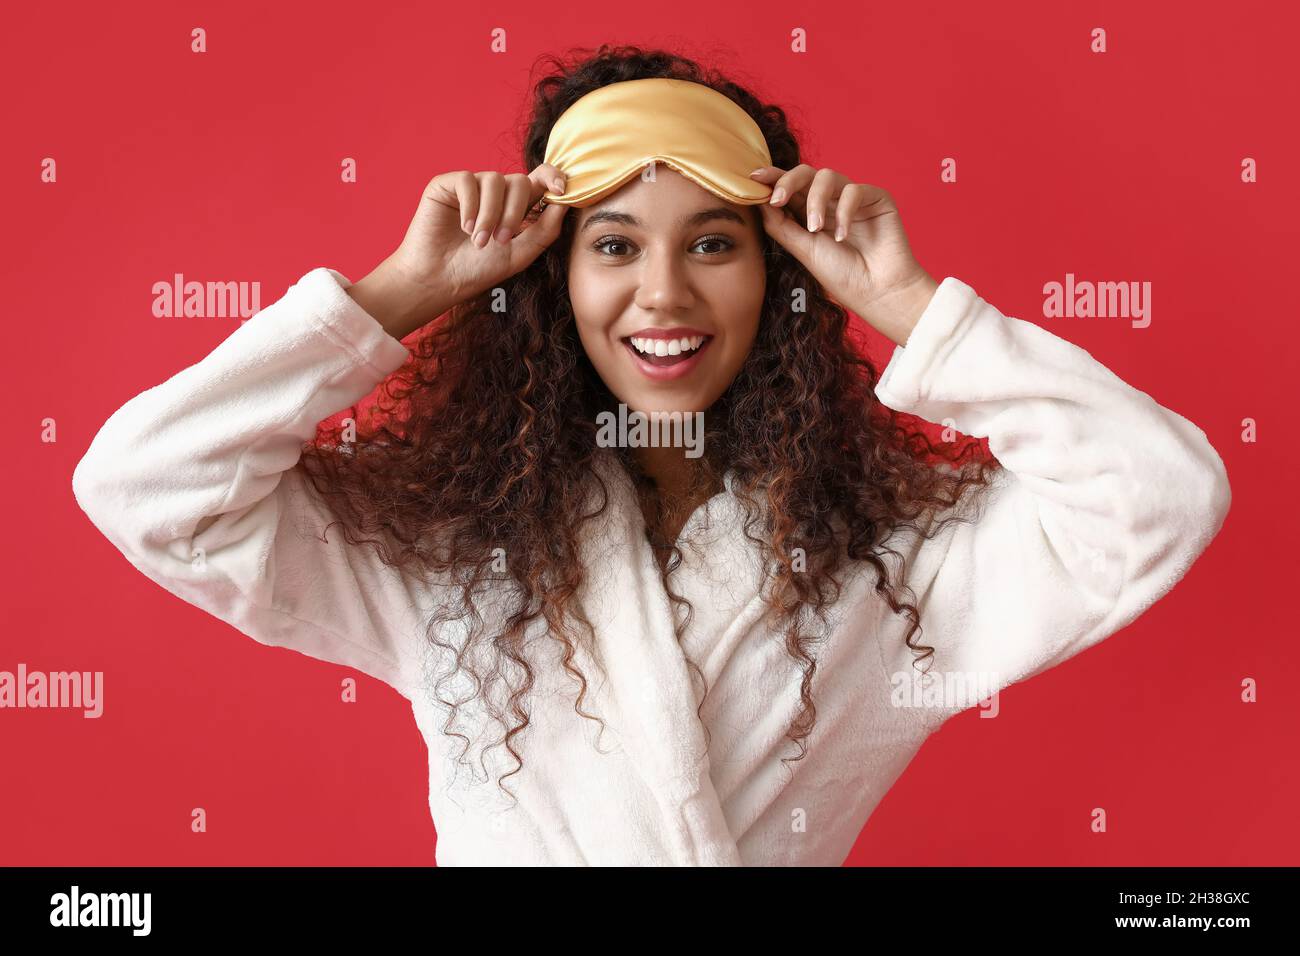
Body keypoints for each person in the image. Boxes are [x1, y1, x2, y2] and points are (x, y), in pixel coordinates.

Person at [70, 45, 1231, 866]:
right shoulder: (446, 543)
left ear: (781, 278)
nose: (663, 292)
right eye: (613, 243)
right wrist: (396, 293)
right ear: (550, 280)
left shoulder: (889, 565)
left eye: (713, 243)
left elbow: (1161, 496)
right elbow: (145, 485)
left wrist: (917, 307)